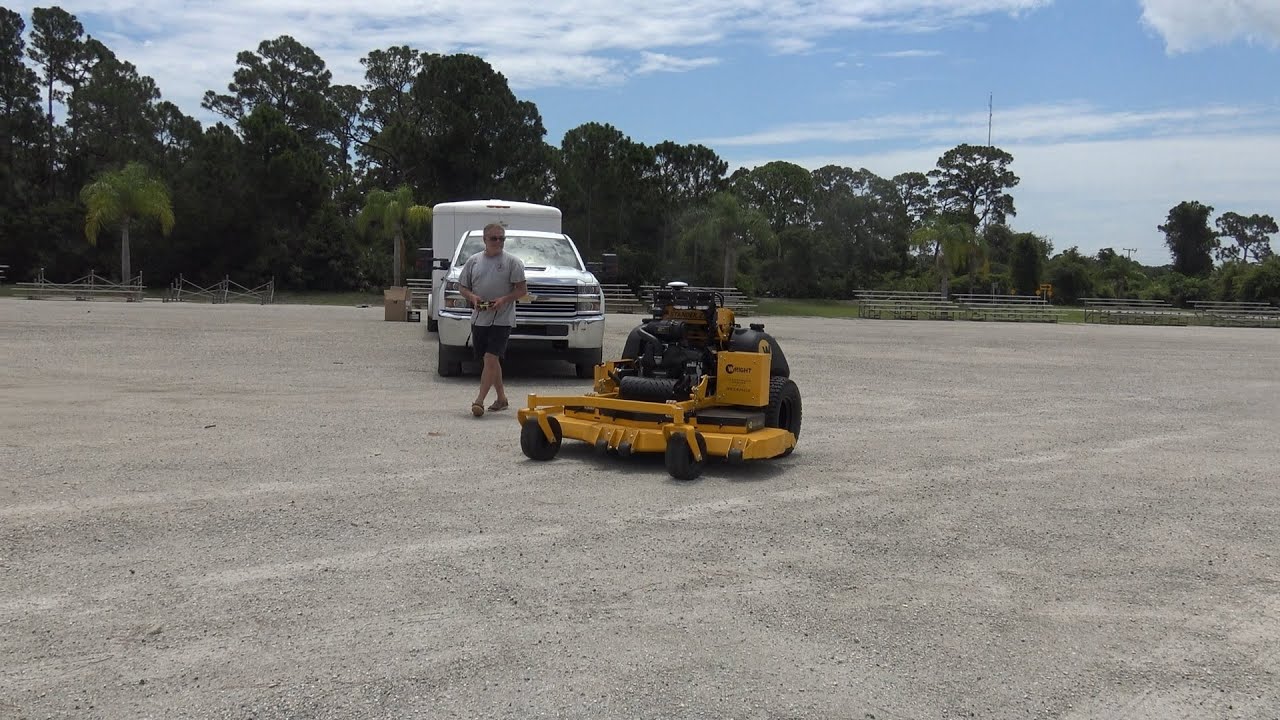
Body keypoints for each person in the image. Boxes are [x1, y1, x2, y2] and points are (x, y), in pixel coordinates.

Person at [458, 223, 527, 417]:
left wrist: (504, 300)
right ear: (485, 240)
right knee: (490, 360)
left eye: (501, 239)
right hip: (479, 318)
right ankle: (502, 398)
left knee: (491, 357)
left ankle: (479, 401)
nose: (498, 242)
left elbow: (522, 290)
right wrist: (472, 298)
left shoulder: (513, 262)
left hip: (502, 319)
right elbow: (462, 287)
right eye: (494, 238)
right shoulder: (473, 261)